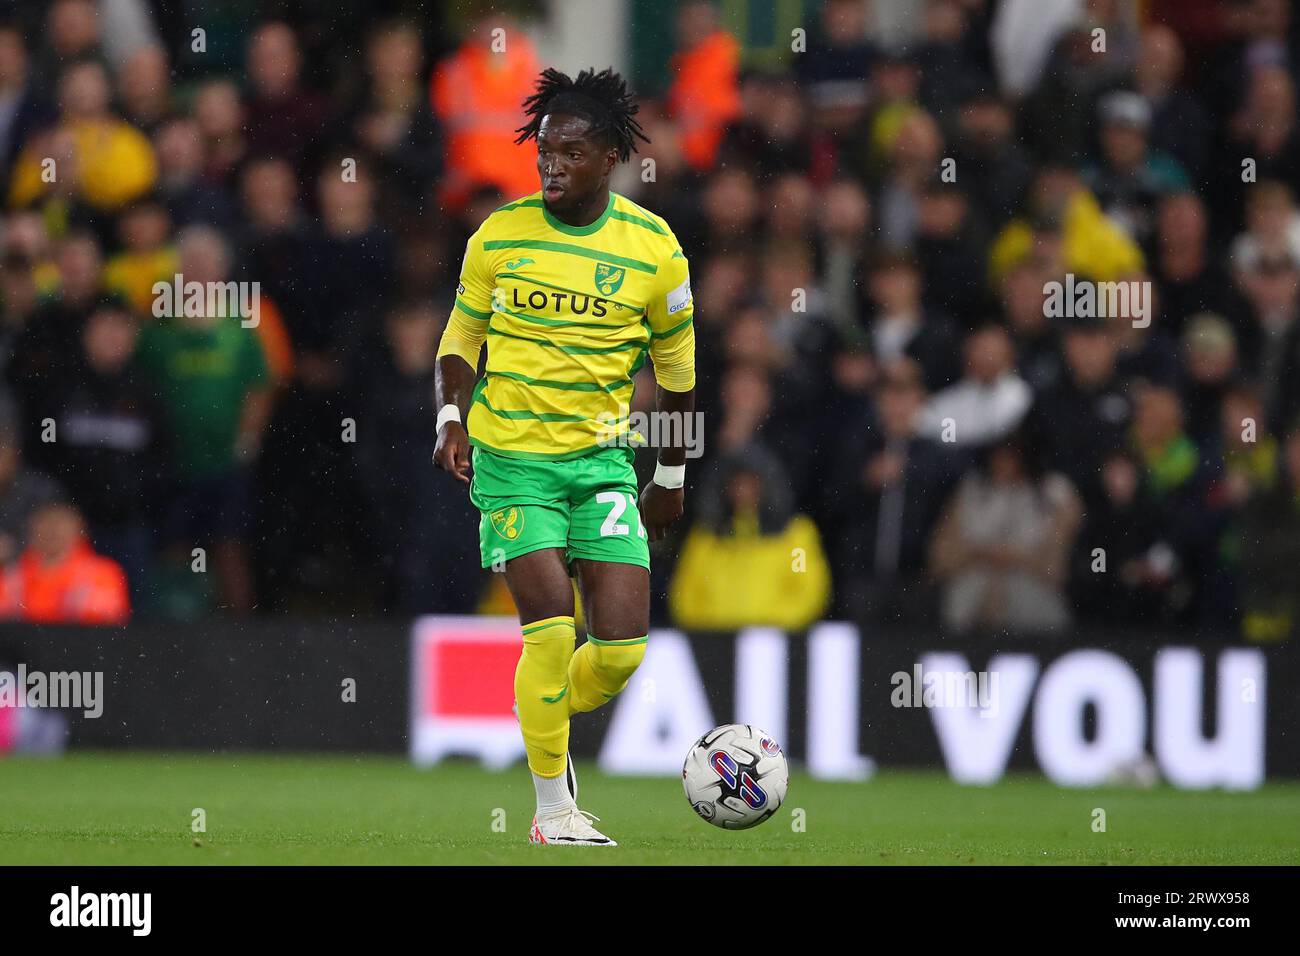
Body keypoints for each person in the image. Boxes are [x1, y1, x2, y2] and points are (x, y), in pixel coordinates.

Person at [434, 68, 694, 848]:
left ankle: (538, 708)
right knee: (549, 632)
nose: (552, 167)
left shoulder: (654, 250)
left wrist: (672, 476)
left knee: (618, 653)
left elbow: (679, 378)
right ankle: (553, 810)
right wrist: (451, 417)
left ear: (612, 156)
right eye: (545, 152)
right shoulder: (499, 234)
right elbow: (460, 337)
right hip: (510, 457)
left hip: (605, 463)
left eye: (571, 154)